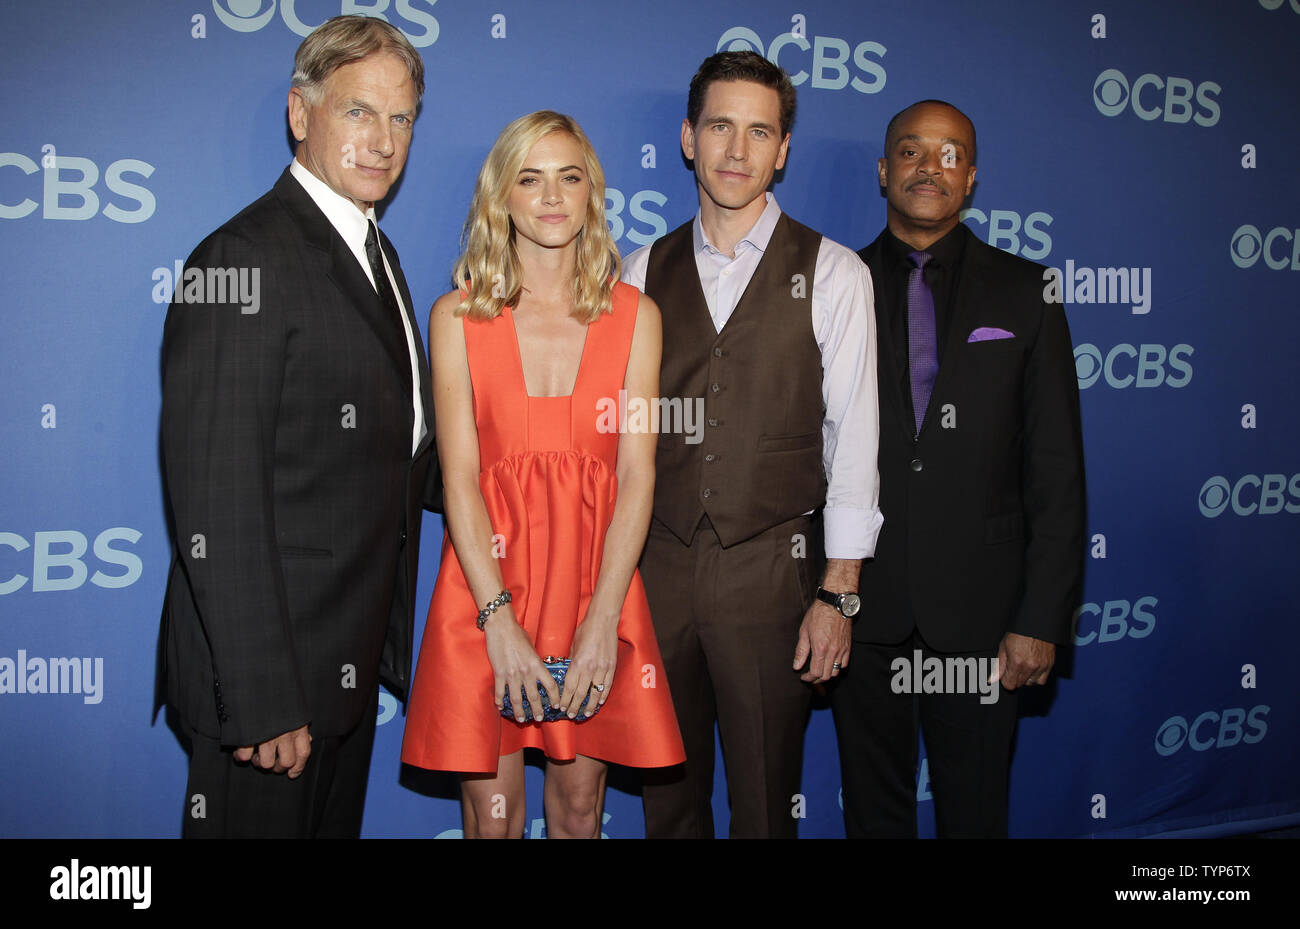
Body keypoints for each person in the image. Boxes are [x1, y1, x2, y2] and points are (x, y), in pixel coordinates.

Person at [157, 15, 435, 838]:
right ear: (299, 112)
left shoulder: (377, 254)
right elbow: (216, 499)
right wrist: (261, 697)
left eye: (401, 117)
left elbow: (394, 456)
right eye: (358, 111)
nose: (383, 140)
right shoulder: (241, 258)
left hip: (342, 670)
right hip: (270, 695)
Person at [400, 111, 684, 839]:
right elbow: (460, 480)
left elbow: (637, 477)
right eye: (530, 179)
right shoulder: (456, 317)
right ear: (502, 196)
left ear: (592, 193)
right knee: (492, 820)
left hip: (595, 588)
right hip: (484, 589)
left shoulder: (636, 316)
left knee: (580, 810)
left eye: (570, 176)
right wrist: (497, 622)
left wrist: (602, 620)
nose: (552, 196)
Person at [621, 51, 882, 839]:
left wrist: (838, 594)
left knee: (766, 804)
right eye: (720, 127)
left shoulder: (834, 274)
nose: (737, 151)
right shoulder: (639, 271)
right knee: (667, 797)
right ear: (688, 138)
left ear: (783, 149)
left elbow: (854, 440)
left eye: (759, 132)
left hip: (772, 570)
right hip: (656, 566)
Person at [834, 100, 1086, 837]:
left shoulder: (1027, 291)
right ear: (884, 170)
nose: (928, 167)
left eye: (949, 154)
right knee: (872, 817)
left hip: (985, 613)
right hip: (862, 609)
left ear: (970, 176)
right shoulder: (834, 284)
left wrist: (1040, 618)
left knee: (976, 813)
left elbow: (1056, 468)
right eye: (910, 150)